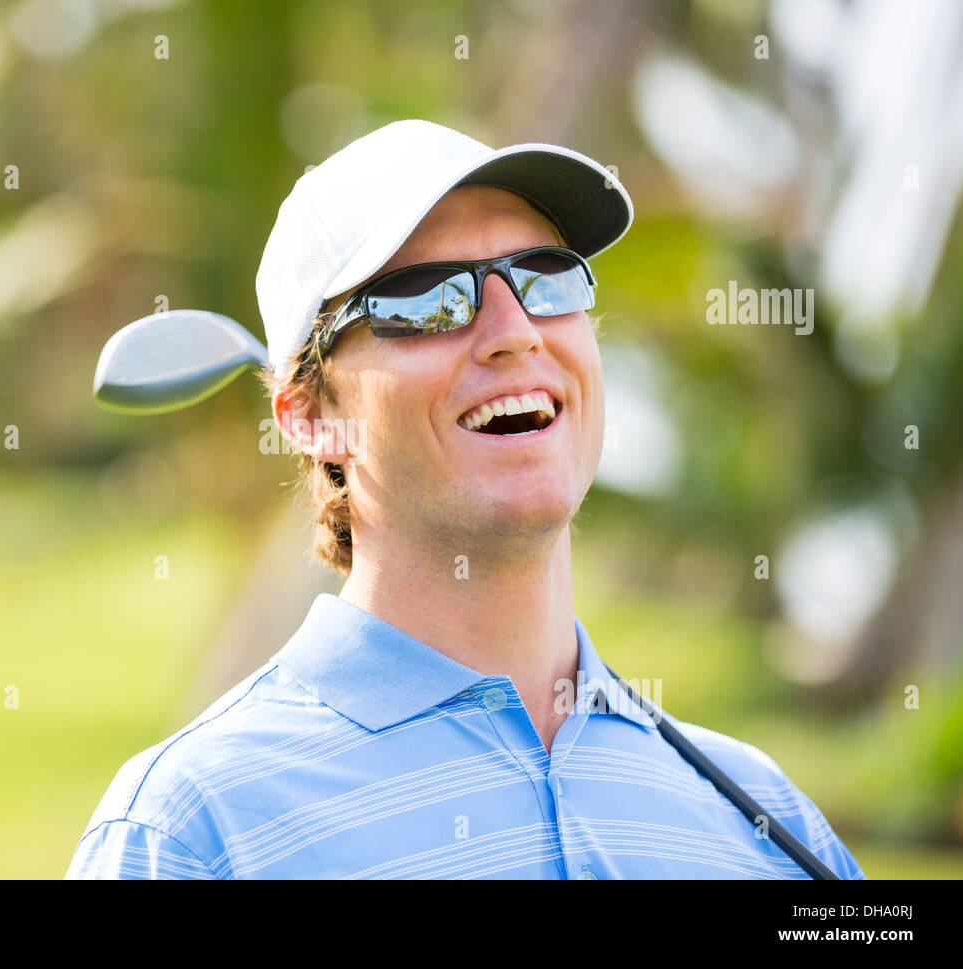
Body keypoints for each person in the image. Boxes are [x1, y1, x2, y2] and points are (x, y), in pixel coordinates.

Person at [66, 119, 865, 879]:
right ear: (312, 417)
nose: (513, 329)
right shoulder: (193, 829)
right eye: (427, 299)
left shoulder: (765, 819)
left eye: (545, 278)